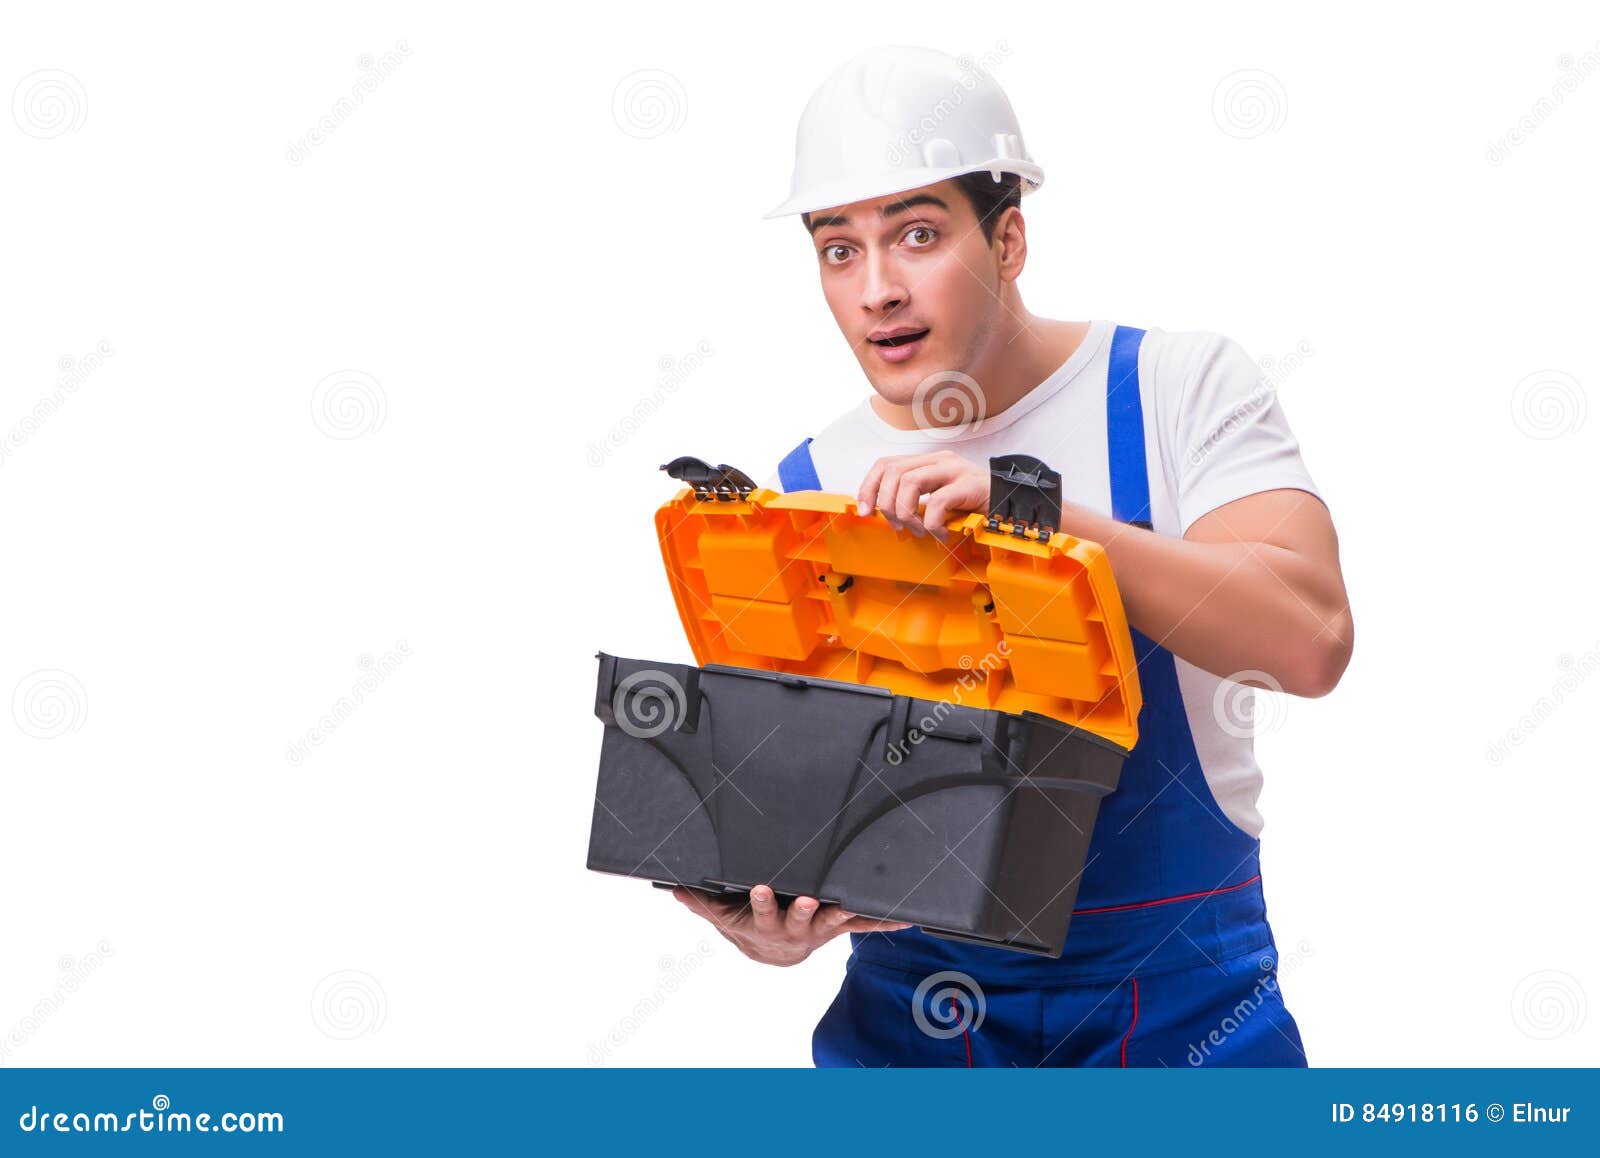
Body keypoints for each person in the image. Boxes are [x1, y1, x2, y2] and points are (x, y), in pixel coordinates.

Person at [671, 45, 1353, 1068]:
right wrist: (778, 909)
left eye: (916, 234)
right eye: (838, 249)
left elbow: (1309, 643)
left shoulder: (1173, 388)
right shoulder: (813, 475)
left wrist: (1042, 521)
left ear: (1008, 239)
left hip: (1175, 1008)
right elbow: (829, 803)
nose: (878, 291)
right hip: (911, 1023)